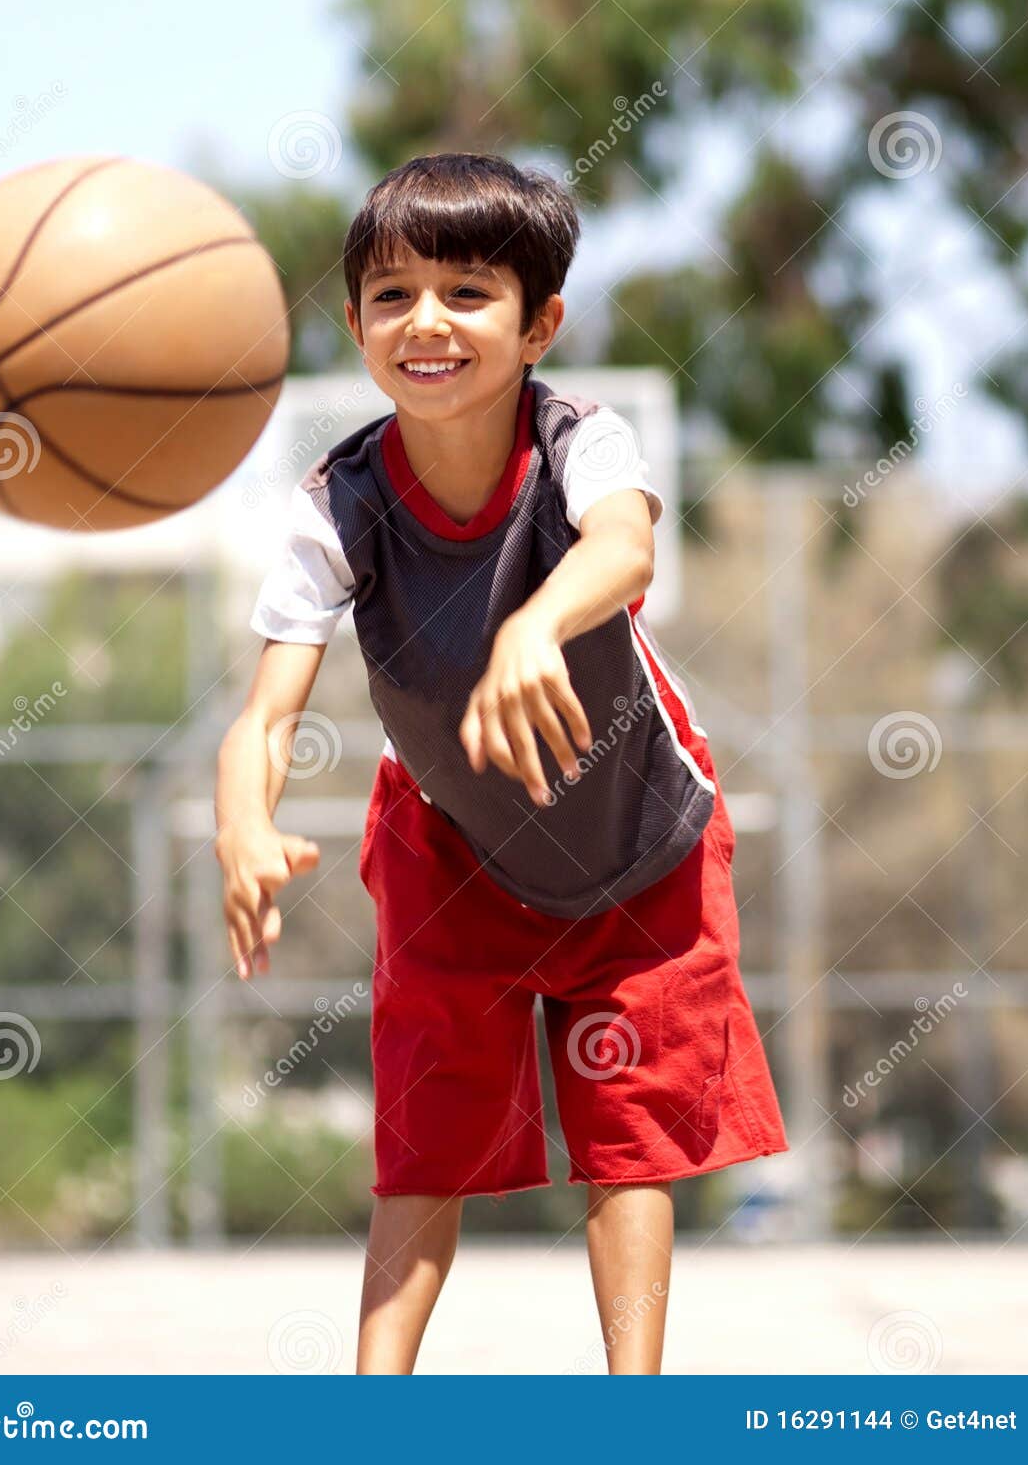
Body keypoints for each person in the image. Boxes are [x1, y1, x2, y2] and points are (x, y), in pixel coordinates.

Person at [214, 151, 788, 1374]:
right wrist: (245, 823)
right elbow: (264, 715)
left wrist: (536, 624)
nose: (426, 320)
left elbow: (625, 548)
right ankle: (374, 1411)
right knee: (423, 1148)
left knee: (629, 1139)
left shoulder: (582, 438)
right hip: (454, 849)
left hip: (635, 838)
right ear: (356, 325)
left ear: (540, 326)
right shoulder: (339, 502)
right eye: (392, 295)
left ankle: (634, 1413)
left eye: (468, 292)